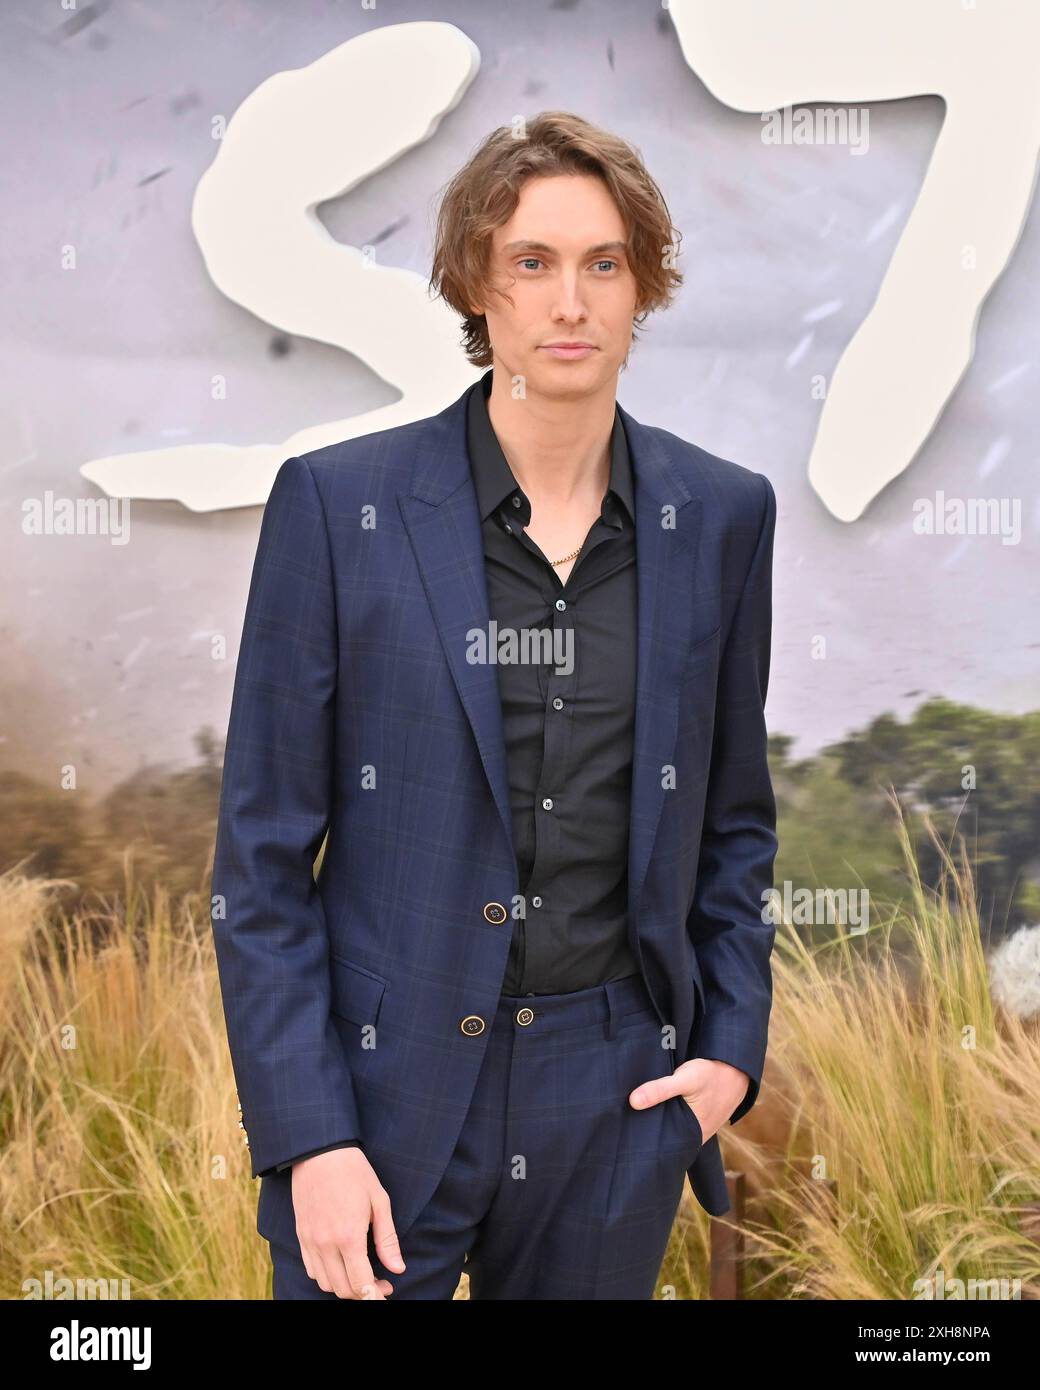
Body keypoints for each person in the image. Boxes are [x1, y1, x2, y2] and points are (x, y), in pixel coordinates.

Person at [210, 110, 778, 1300]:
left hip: (614, 1096)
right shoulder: (334, 506)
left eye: (601, 263)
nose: (569, 301)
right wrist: (309, 1134)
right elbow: (259, 859)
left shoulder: (722, 516)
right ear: (477, 288)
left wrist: (727, 1049)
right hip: (377, 1097)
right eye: (532, 262)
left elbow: (732, 819)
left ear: (642, 289)